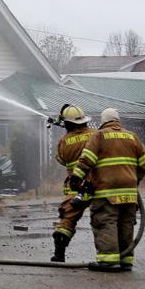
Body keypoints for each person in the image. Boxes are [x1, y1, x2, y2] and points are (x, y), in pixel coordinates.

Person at [73, 108, 145, 272]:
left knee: (105, 222)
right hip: (129, 192)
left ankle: (108, 260)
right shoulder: (131, 136)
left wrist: (76, 177)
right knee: (126, 224)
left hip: (106, 191)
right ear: (117, 120)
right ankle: (126, 260)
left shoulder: (99, 136)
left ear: (103, 121)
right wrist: (135, 179)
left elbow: (87, 159)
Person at [50, 105, 94, 262]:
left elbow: (61, 159)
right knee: (104, 218)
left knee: (68, 217)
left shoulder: (64, 141)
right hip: (96, 183)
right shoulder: (95, 135)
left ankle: (59, 253)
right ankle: (109, 256)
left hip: (74, 186)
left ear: (67, 124)